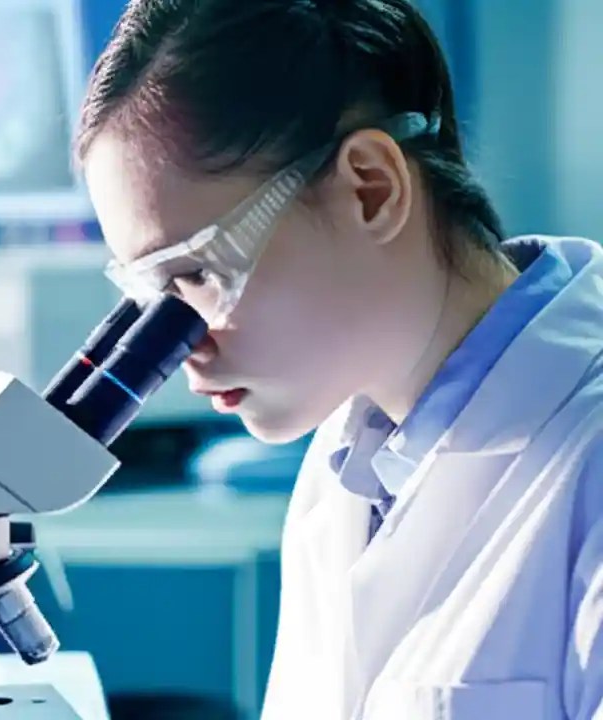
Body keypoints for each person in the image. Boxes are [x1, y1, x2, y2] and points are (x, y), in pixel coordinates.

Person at [76, 0, 603, 718]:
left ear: (371, 189)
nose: (180, 349)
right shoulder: (349, 469)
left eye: (196, 274)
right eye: (149, 295)